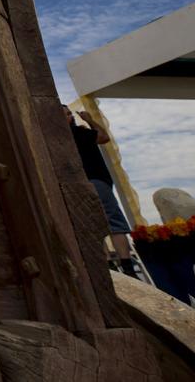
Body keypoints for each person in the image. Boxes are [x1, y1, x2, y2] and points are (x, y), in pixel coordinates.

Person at [66, 106, 140, 277]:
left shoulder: (61, 136)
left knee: (90, 223)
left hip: (77, 182)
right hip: (96, 180)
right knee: (113, 222)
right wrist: (90, 120)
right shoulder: (78, 132)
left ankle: (106, 264)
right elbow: (103, 137)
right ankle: (126, 265)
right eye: (68, 114)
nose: (71, 116)